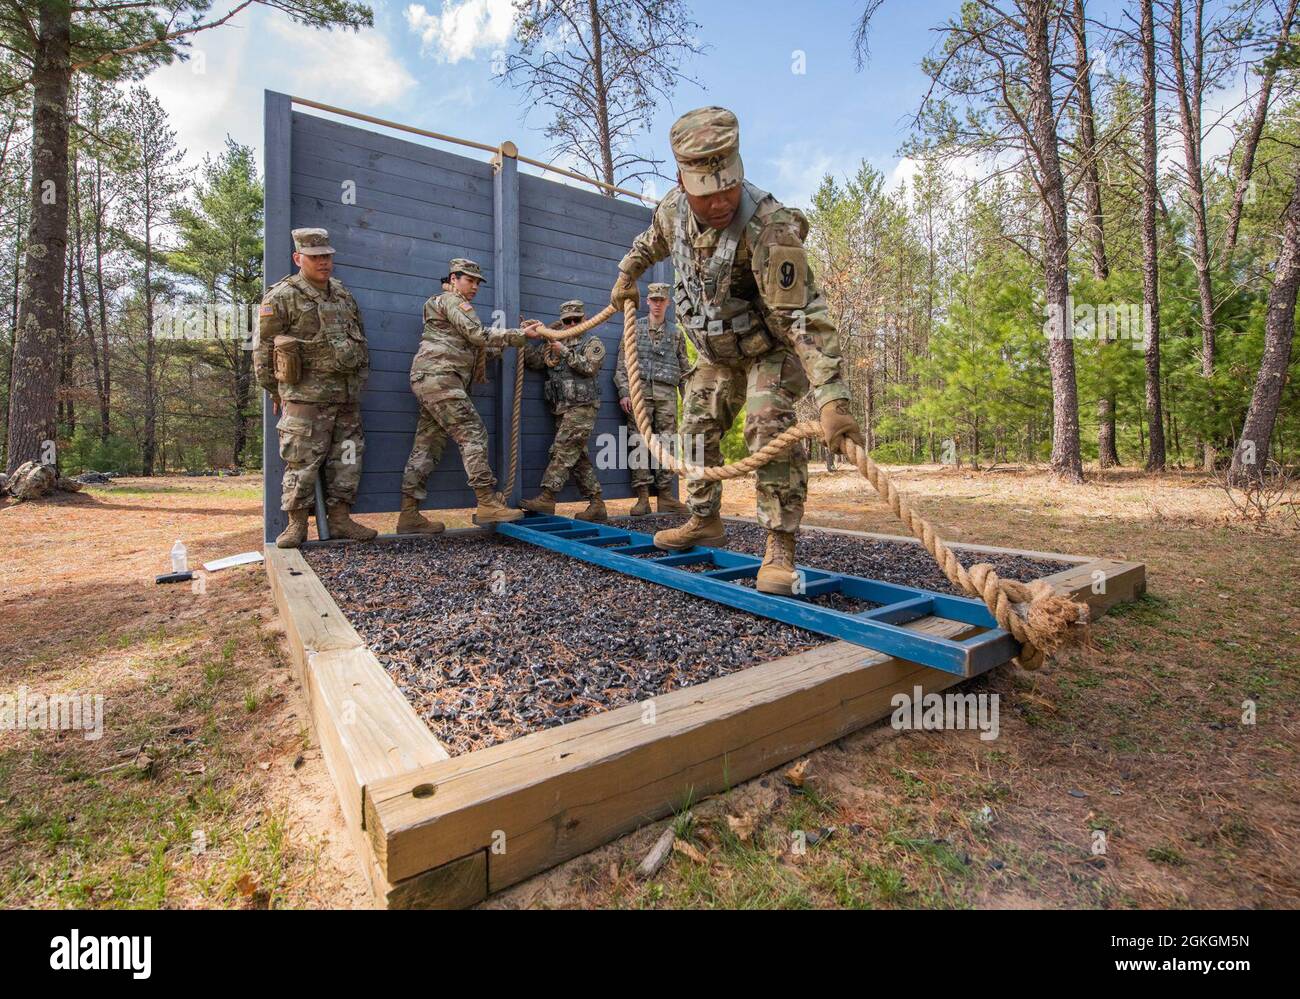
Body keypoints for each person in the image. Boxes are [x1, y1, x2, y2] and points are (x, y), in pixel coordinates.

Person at [609, 107, 865, 594]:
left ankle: (780, 547)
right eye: (709, 192)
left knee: (765, 420)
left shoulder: (769, 225)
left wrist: (832, 397)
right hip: (715, 352)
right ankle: (704, 518)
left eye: (730, 185)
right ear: (684, 185)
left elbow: (803, 314)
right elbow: (650, 243)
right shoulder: (671, 212)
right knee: (696, 426)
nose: (723, 200)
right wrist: (627, 274)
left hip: (770, 348)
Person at [397, 258, 543, 530]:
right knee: (473, 433)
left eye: (477, 282)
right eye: (469, 280)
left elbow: (473, 346)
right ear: (453, 279)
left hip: (432, 379)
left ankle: (409, 514)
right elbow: (477, 335)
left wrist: (508, 344)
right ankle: (487, 502)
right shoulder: (452, 301)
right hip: (440, 379)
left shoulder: (446, 306)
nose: (474, 286)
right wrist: (519, 335)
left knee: (427, 444)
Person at [254, 227, 377, 549]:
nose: (324, 262)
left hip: (346, 396)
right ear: (299, 258)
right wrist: (274, 390)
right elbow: (264, 347)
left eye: (327, 256)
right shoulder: (282, 296)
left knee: (347, 458)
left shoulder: (341, 293)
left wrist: (359, 379)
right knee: (301, 459)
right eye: (315, 257)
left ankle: (339, 519)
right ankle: (296, 524)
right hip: (305, 397)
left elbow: (359, 337)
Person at [518, 300, 608, 522]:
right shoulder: (554, 341)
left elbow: (589, 368)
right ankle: (597, 504)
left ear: (584, 319)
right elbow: (534, 362)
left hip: (582, 407)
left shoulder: (592, 342)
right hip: (561, 408)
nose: (572, 324)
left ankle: (548, 497)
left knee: (562, 451)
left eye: (576, 319)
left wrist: (566, 351)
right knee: (577, 457)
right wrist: (524, 337)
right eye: (568, 321)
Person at [614, 282, 690, 516]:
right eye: (653, 300)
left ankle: (666, 496)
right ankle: (643, 498)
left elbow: (685, 370)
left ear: (668, 303)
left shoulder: (676, 334)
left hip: (666, 396)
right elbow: (621, 366)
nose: (657, 304)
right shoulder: (634, 329)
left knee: (667, 443)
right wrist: (625, 392)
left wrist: (687, 399)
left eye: (661, 300)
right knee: (638, 442)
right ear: (647, 301)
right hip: (640, 394)